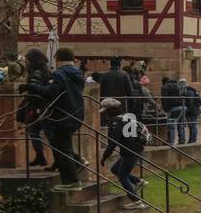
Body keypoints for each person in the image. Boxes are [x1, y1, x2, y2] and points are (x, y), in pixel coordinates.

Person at [22, 47, 85, 190]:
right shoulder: (78, 73)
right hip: (76, 114)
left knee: (61, 150)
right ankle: (76, 168)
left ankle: (71, 181)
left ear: (58, 59)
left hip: (61, 116)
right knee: (66, 147)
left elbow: (52, 92)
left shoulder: (60, 74)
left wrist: (31, 87)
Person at [103, 97, 148, 205]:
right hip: (135, 150)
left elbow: (112, 142)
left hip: (130, 153)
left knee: (122, 176)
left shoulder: (116, 122)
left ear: (110, 110)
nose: (104, 114)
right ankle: (138, 181)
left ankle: (136, 201)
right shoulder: (127, 117)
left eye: (105, 111)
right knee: (115, 169)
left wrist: (104, 156)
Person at [19, 48, 53, 168]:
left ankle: (41, 156)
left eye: (28, 60)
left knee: (36, 131)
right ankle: (41, 156)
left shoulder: (37, 73)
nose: (26, 63)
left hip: (37, 107)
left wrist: (26, 87)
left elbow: (35, 89)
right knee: (40, 132)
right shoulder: (46, 71)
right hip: (43, 106)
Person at [97, 57, 133, 165]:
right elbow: (130, 92)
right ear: (120, 64)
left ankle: (110, 147)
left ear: (110, 63)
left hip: (107, 105)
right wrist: (131, 108)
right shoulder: (124, 75)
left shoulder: (104, 75)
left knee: (111, 126)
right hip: (120, 105)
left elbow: (101, 92)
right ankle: (120, 147)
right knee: (122, 127)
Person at [160, 76, 185, 145]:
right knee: (180, 125)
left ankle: (171, 142)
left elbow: (164, 99)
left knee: (171, 125)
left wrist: (165, 109)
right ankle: (182, 141)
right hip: (182, 106)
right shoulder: (176, 85)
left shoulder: (165, 87)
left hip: (174, 108)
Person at [180, 78, 201, 144]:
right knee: (191, 126)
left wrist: (187, 111)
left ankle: (193, 140)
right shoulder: (187, 90)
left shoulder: (189, 91)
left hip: (192, 111)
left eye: (181, 84)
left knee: (193, 126)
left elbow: (191, 103)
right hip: (191, 111)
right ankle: (191, 140)